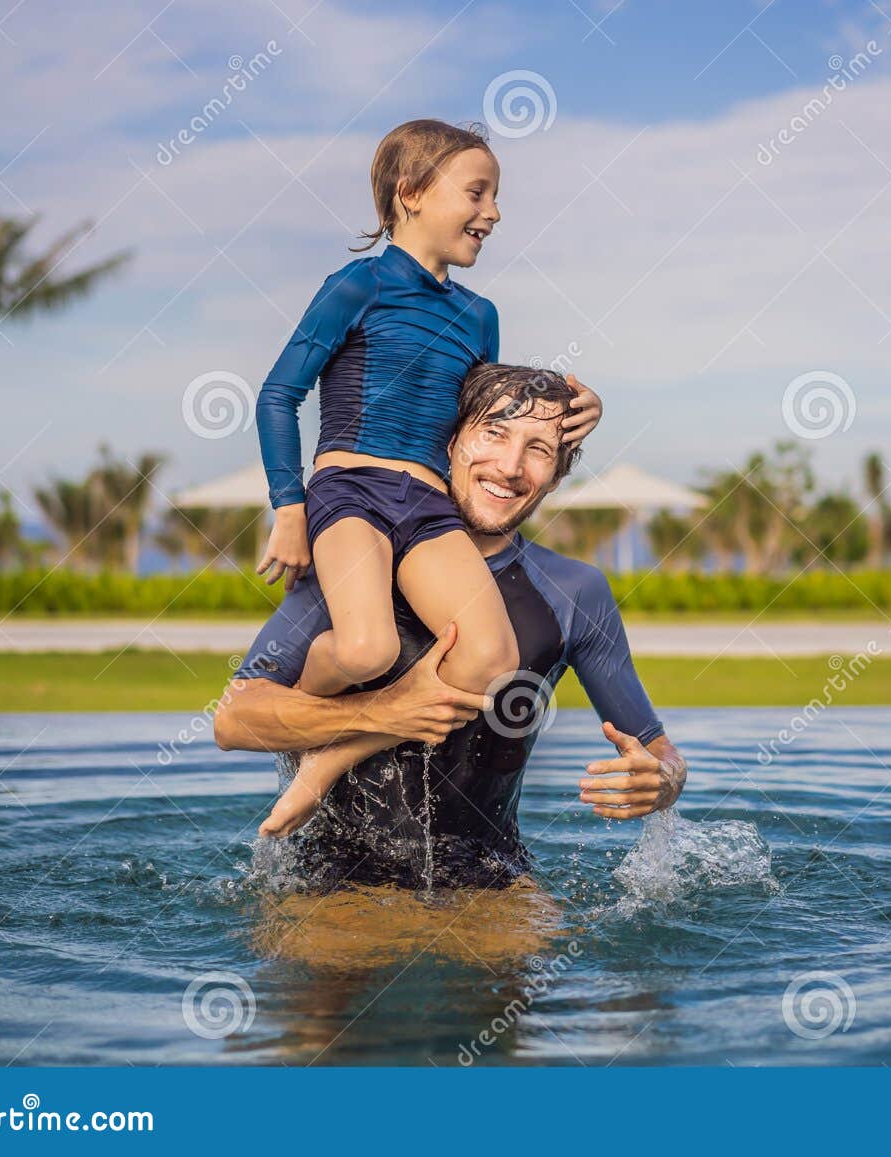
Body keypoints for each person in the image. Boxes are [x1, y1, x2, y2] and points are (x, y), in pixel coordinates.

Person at [251, 118, 603, 827]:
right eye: (477, 193)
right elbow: (277, 394)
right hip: (352, 490)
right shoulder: (359, 285)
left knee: (491, 657)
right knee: (366, 646)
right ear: (411, 193)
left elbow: (487, 421)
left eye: (495, 196)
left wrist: (579, 407)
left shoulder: (480, 314)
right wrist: (290, 507)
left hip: (429, 505)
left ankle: (328, 757)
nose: (494, 212)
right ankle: (304, 730)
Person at [215, 363, 686, 888]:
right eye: (494, 432)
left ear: (556, 477)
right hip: (335, 879)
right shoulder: (357, 561)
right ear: (449, 442)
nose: (510, 466)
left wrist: (661, 781)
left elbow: (657, 749)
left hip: (491, 871)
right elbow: (235, 720)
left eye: (539, 449)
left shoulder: (575, 591)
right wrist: (387, 712)